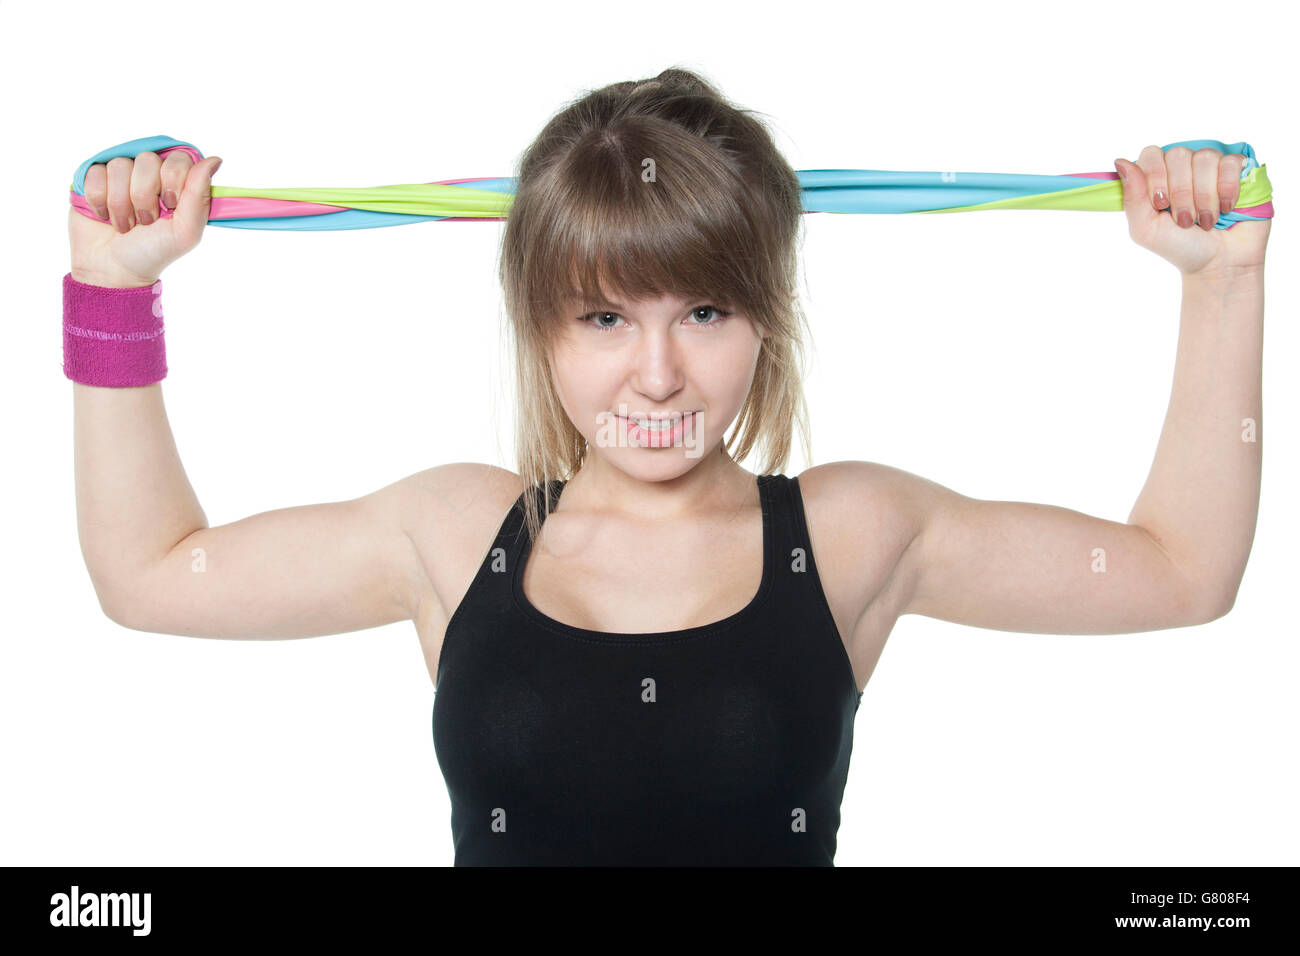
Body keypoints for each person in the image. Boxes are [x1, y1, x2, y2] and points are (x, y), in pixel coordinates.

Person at [66, 67, 1269, 866]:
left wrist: (1224, 286)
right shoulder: (452, 533)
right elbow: (151, 573)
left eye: (702, 312)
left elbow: (1177, 569)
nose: (654, 375)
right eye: (600, 319)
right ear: (539, 327)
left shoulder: (848, 532)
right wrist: (112, 292)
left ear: (764, 318)